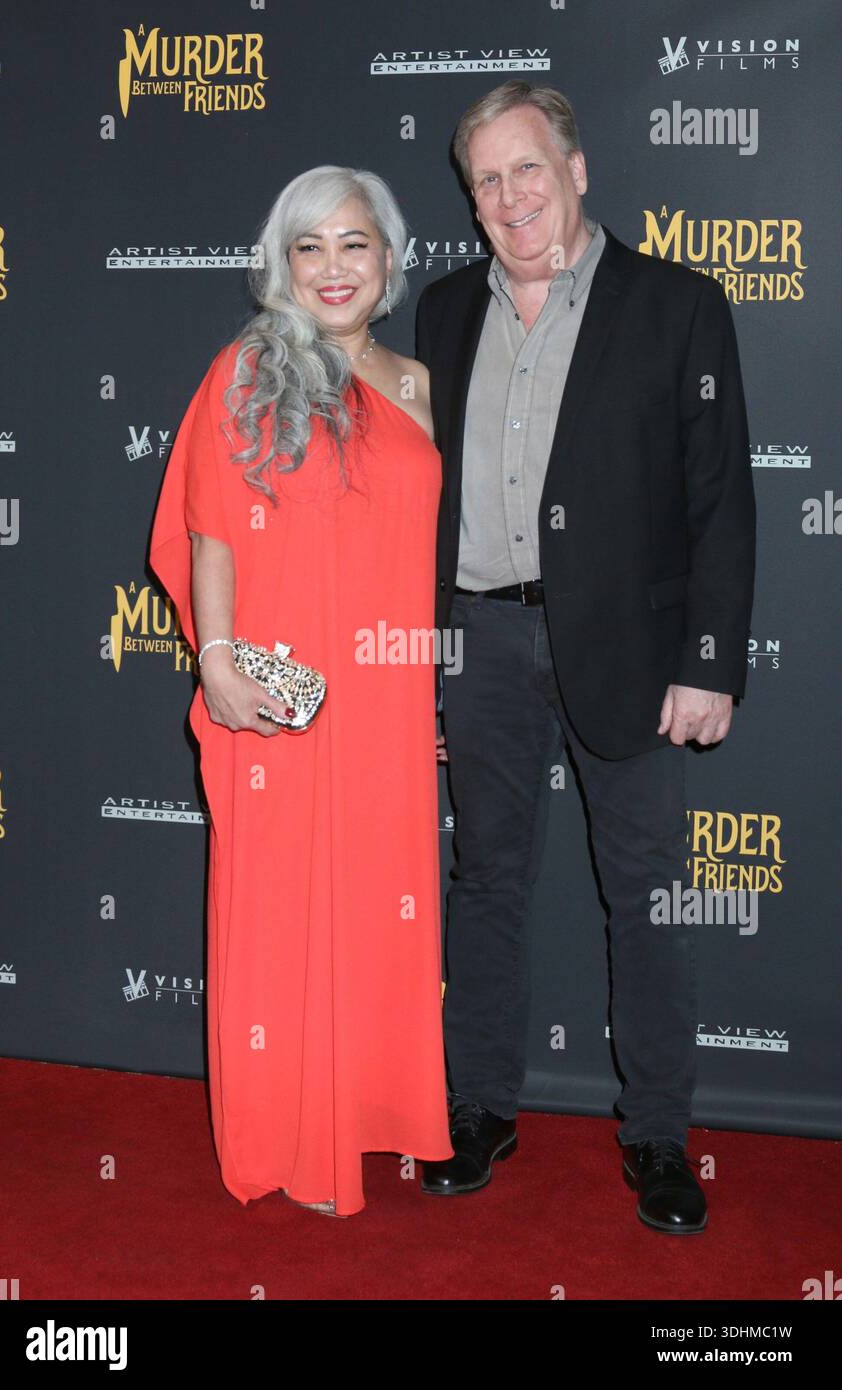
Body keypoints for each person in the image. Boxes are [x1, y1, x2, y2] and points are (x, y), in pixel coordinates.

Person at [415, 81, 756, 1233]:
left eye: (525, 169)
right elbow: (423, 504)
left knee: (648, 895)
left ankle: (658, 1132)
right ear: (468, 202)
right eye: (484, 181)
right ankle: (478, 1108)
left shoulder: (676, 305)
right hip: (478, 633)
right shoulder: (443, 310)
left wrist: (707, 661)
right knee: (484, 882)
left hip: (628, 641)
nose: (507, 197)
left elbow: (719, 500)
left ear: (575, 170)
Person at [149, 165, 453, 1217]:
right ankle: (289, 1133)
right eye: (309, 246)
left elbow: (425, 557)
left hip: (385, 701)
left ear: (388, 258)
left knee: (376, 908)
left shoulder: (414, 382)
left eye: (354, 243)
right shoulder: (247, 373)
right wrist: (219, 662)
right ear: (281, 263)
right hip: (283, 695)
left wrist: (431, 695)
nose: (333, 267)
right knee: (279, 911)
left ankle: (364, 1114)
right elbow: (207, 529)